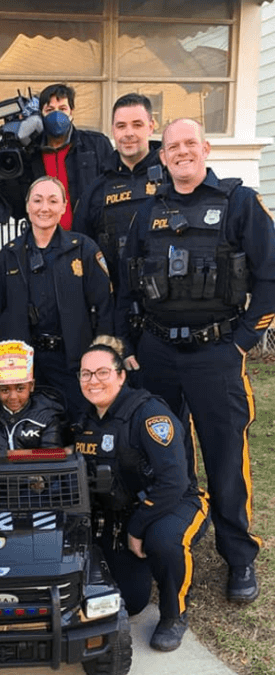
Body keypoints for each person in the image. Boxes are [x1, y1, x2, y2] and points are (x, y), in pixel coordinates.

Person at [117, 118, 275, 604]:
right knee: (166, 457)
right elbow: (127, 286)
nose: (182, 152)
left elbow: (271, 276)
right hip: (158, 353)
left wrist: (243, 341)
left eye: (190, 143)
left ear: (205, 149)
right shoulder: (148, 211)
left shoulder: (239, 203)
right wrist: (128, 346)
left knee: (225, 459)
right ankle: (176, 540)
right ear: (162, 156)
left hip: (216, 353)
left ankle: (239, 556)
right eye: (173, 147)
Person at [73, 337, 209, 651]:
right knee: (131, 601)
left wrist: (137, 528)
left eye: (103, 372)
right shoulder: (84, 418)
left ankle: (174, 615)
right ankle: (144, 563)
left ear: (121, 375)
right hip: (121, 512)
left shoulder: (149, 414)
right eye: (86, 374)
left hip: (175, 503)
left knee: (163, 540)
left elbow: (173, 482)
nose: (93, 381)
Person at [0, 176, 114, 415]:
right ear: (27, 206)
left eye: (53, 201)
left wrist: (102, 360)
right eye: (37, 200)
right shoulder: (9, 255)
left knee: (77, 425)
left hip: (73, 362)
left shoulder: (83, 249)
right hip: (22, 367)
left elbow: (105, 309)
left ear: (64, 207)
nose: (44, 208)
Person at [72, 93, 165, 296]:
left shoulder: (173, 179)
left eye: (137, 125)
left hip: (167, 303)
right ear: (113, 130)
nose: (128, 133)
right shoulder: (96, 190)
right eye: (121, 126)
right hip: (117, 302)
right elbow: (82, 253)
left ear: (151, 127)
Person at [31, 83, 114, 230]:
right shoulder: (32, 152)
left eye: (63, 109)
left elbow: (113, 187)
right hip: (46, 236)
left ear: (71, 112)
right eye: (50, 110)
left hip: (88, 235)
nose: (57, 115)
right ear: (41, 115)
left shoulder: (96, 144)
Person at [0, 340, 66, 452]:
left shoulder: (47, 416)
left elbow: (51, 458)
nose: (13, 397)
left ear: (31, 386)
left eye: (20, 389)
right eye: (5, 390)